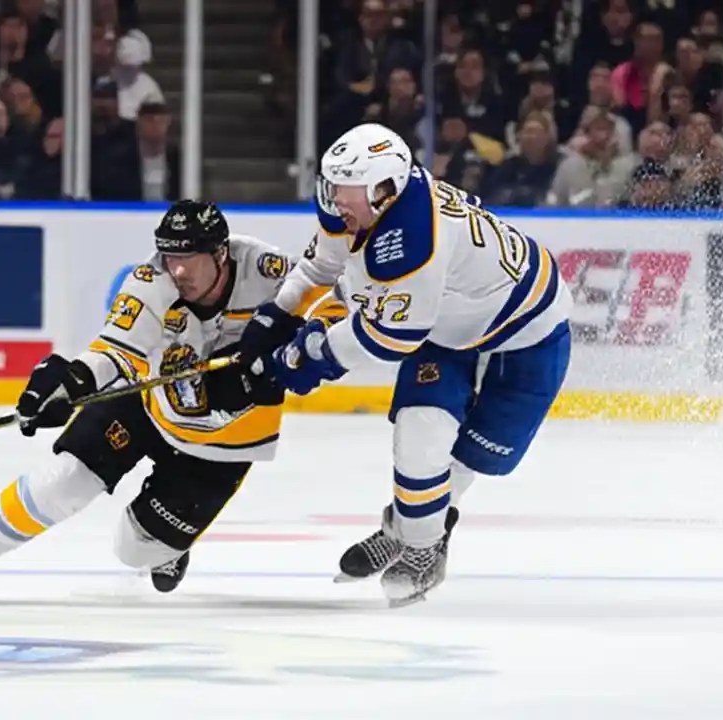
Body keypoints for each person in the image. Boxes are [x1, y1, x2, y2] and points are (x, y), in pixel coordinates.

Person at [0, 201, 331, 602]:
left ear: (220, 253)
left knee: (135, 549)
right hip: (148, 402)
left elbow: (333, 303)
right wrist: (71, 382)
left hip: (225, 441)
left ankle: (166, 550)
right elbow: (115, 350)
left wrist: (297, 353)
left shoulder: (269, 272)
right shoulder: (151, 281)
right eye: (171, 256)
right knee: (66, 478)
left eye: (188, 257)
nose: (178, 270)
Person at [240, 123, 572, 607]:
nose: (336, 199)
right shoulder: (359, 206)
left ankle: (409, 530)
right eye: (333, 184)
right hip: (444, 325)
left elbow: (388, 335)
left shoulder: (415, 237)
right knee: (420, 436)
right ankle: (421, 548)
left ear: (384, 189)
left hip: (528, 332)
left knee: (471, 458)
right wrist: (274, 315)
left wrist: (306, 358)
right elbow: (320, 268)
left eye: (348, 188)